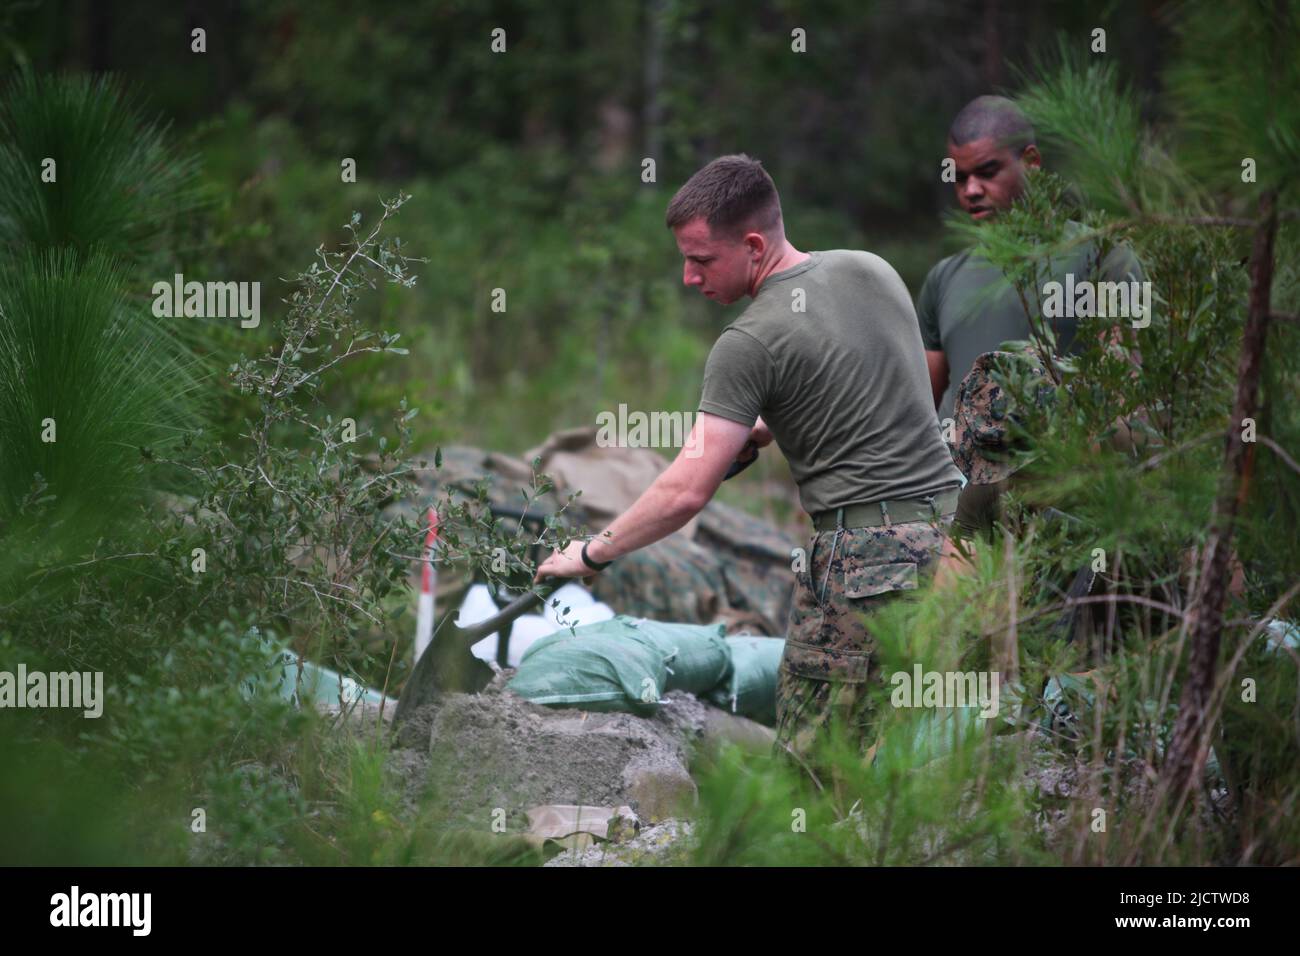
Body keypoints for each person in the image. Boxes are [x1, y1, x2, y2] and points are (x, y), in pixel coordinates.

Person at [535, 154, 963, 800]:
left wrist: (592, 552)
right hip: (955, 545)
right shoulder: (870, 270)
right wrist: (765, 427)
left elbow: (686, 490)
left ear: (754, 245)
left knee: (816, 774)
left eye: (701, 260)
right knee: (925, 748)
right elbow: (875, 388)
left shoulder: (748, 342)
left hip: (865, 565)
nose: (687, 277)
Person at [917, 95, 1144, 426]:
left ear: (1031, 161)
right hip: (956, 475)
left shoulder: (1106, 259)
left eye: (987, 172)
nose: (971, 190)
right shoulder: (943, 278)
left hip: (1062, 470)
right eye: (960, 177)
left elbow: (1127, 400)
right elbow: (920, 411)